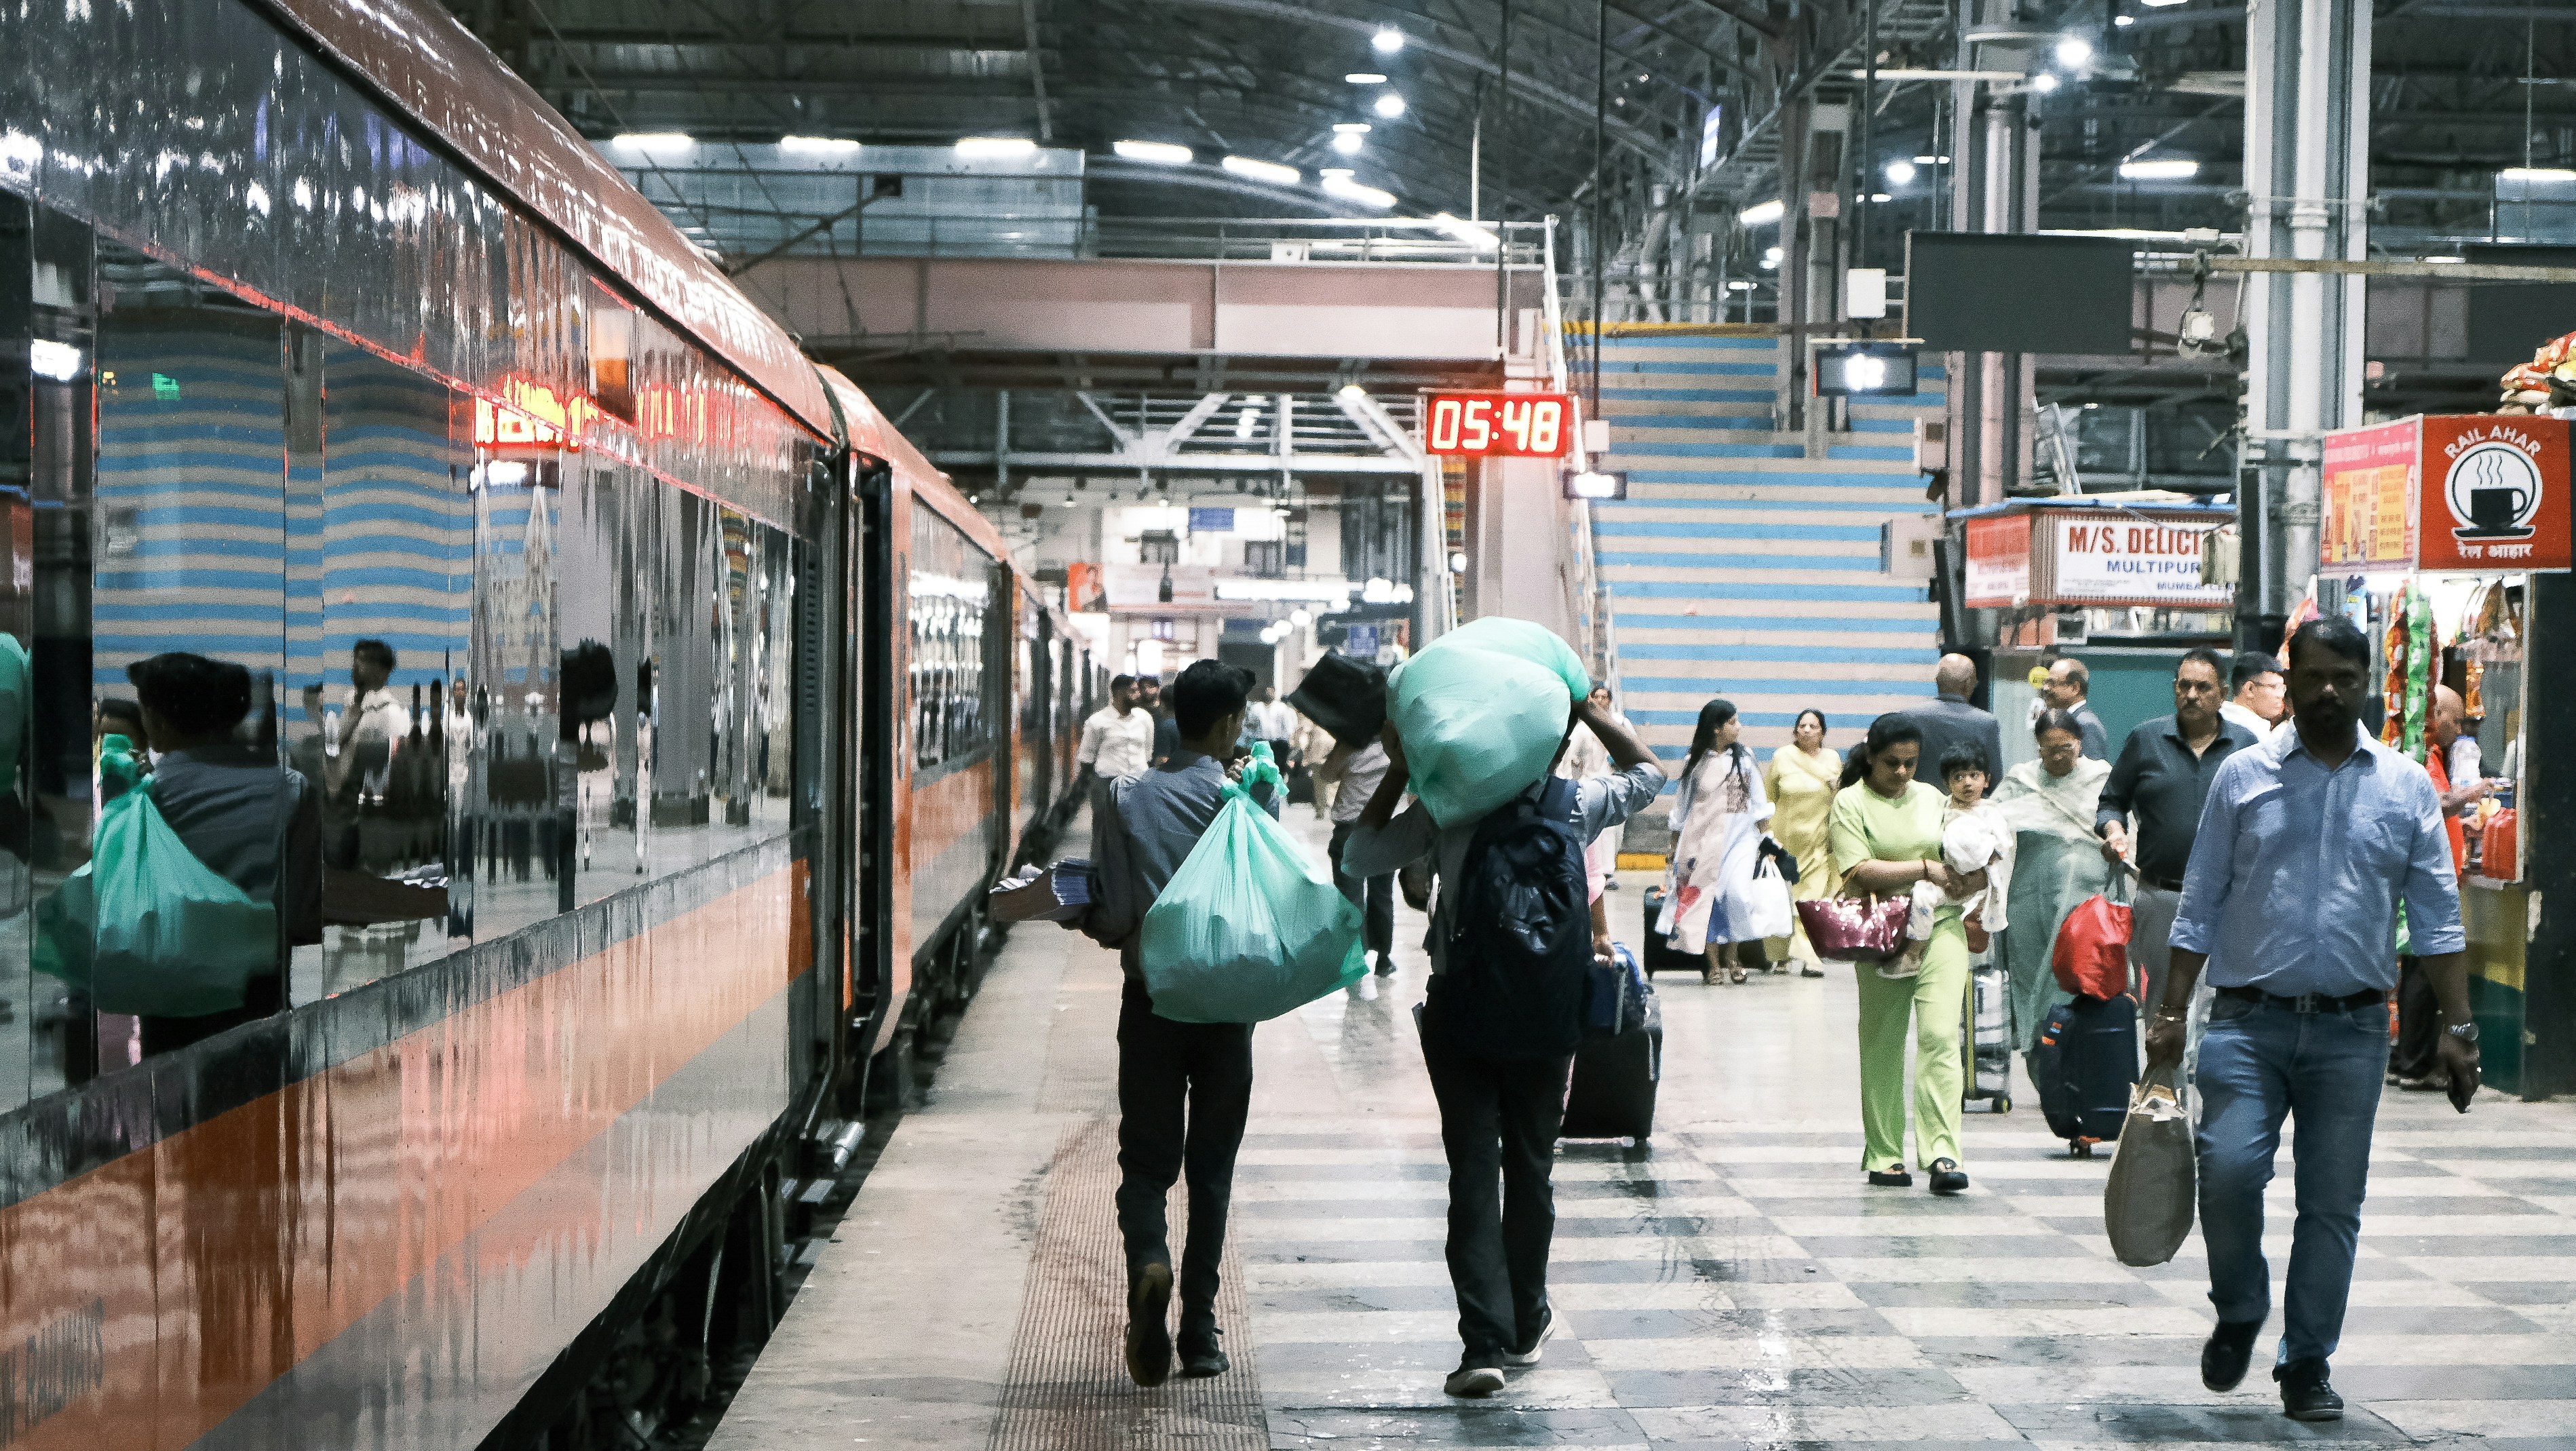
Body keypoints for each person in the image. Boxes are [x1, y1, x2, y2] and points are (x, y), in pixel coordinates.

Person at [2151, 614, 2476, 1423]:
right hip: (2243, 1022)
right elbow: (2199, 902)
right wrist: (2167, 1011)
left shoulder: (2404, 786)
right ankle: (2238, 1307)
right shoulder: (2242, 777)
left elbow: (2436, 918)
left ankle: (2306, 1363)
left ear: (2364, 683)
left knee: (2331, 1203)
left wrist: (2459, 1028)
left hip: (2351, 1032)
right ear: (2286, 682)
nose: (2328, 692)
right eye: (2313, 677)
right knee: (2226, 1172)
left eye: (2345, 678)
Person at [1342, 693, 1665, 1399]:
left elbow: (1359, 853)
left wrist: (1399, 766)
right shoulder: (1571, 804)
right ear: (1550, 748)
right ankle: (1527, 1320)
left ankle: (1480, 1344)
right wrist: (1588, 712)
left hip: (1462, 1011)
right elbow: (1648, 777)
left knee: (1469, 1170)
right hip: (1548, 1017)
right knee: (1530, 1166)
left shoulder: (1448, 804)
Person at [1081, 660, 1281, 1387]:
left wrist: (1093, 922)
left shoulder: (1123, 797)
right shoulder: (1245, 798)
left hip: (1154, 999)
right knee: (1212, 1171)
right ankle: (1199, 1331)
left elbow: (1109, 914)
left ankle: (1147, 1263)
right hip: (1227, 1009)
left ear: (1170, 712)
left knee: (1145, 1166)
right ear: (1230, 724)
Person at [127, 653, 323, 1056]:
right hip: (260, 1000)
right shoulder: (292, 791)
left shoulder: (144, 799)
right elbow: (303, 918)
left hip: (169, 1011)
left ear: (159, 722)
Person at [1829, 714, 1981, 1196]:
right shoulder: (1850, 802)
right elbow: (1855, 871)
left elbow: (1965, 849)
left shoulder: (1933, 799)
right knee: (1882, 1040)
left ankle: (1942, 1151)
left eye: (1910, 763)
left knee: (1939, 1034)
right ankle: (1884, 1154)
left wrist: (1971, 875)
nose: (1900, 772)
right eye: (1891, 762)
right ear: (1870, 757)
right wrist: (1921, 867)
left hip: (1941, 928)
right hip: (1880, 933)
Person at [2094, 647, 2257, 1011]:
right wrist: (2113, 830)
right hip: (2161, 898)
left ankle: (2210, 1071)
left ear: (2223, 694)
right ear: (2174, 688)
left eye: (2203, 687)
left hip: (2229, 902)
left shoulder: (2246, 747)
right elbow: (2112, 800)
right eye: (2184, 686)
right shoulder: (2146, 739)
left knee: (2222, 1005)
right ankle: (2166, 1072)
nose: (2192, 696)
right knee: (2166, 1006)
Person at [1990, 708, 2113, 1051]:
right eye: (2049, 749)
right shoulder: (2021, 780)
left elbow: (2120, 826)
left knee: (2077, 971)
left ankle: (2078, 1049)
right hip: (2031, 895)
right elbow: (1990, 823)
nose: (2059, 756)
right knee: (2029, 972)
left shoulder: (2101, 777)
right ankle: (2038, 1048)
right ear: (2038, 746)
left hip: (2085, 901)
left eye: (2067, 748)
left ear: (2080, 743)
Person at [2391, 684, 2488, 1091]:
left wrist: (2461, 824)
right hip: (2424, 881)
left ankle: (2410, 1059)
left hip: (2439, 874)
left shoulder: (2433, 758)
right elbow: (2432, 805)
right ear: (2436, 717)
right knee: (2420, 974)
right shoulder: (2419, 759)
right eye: (2455, 716)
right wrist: (2473, 793)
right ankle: (2412, 1063)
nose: (2460, 725)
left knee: (2422, 972)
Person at [1656, 699, 1773, 985]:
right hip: (1702, 840)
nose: (1739, 727)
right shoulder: (1694, 761)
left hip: (1741, 840)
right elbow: (1682, 807)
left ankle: (1733, 956)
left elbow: (1758, 802)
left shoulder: (1746, 759)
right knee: (1705, 900)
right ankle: (1712, 964)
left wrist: (1768, 842)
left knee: (1735, 895)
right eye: (1733, 722)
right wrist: (1674, 847)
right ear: (1717, 728)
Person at [1762, 710, 1839, 978]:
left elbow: (1840, 800)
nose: (1807, 730)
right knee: (1781, 900)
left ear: (1823, 732)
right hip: (1785, 843)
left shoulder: (1832, 759)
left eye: (1813, 726)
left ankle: (1811, 957)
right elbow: (1768, 797)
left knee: (1810, 900)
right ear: (1795, 731)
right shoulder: (1782, 756)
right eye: (1802, 726)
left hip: (1817, 841)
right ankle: (1781, 957)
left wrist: (1836, 787)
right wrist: (1767, 840)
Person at [1326, 735, 1398, 976]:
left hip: (1350, 830)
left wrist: (1338, 749)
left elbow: (1326, 775)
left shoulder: (1350, 744)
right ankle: (1384, 959)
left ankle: (1356, 956)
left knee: (1350, 898)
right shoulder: (1396, 745)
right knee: (1383, 894)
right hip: (1385, 828)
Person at [1898, 655, 2003, 795]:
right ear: (1968, 684)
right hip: (1968, 810)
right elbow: (1996, 784)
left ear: (1937, 680)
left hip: (1919, 807)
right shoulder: (1986, 723)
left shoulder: (1908, 717)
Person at [1075, 675, 1155, 832]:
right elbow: (1086, 758)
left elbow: (1148, 752)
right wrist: (1094, 785)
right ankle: (1100, 857)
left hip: (1138, 782)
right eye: (1133, 691)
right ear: (1119, 693)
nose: (1139, 694)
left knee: (1137, 829)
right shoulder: (1097, 721)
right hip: (1107, 783)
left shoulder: (1145, 719)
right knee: (1104, 828)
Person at [2040, 655, 2111, 761]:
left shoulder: (2086, 725)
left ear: (2074, 688)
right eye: (2046, 683)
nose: (2045, 688)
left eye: (2052, 683)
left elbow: (2092, 774)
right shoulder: (2070, 720)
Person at [2222, 651, 2286, 735]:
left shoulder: (2219, 718)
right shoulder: (2251, 731)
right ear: (2250, 689)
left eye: (2283, 688)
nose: (2281, 695)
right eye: (2274, 687)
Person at [1247, 685, 1299, 771]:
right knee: (1261, 766)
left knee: (1278, 767)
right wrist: (1251, 736)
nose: (1269, 693)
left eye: (1271, 691)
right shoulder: (1257, 708)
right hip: (1262, 742)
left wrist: (1289, 740)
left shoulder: (1281, 708)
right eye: (1267, 691)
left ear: (1274, 693)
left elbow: (1288, 726)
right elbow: (1251, 725)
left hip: (1279, 744)